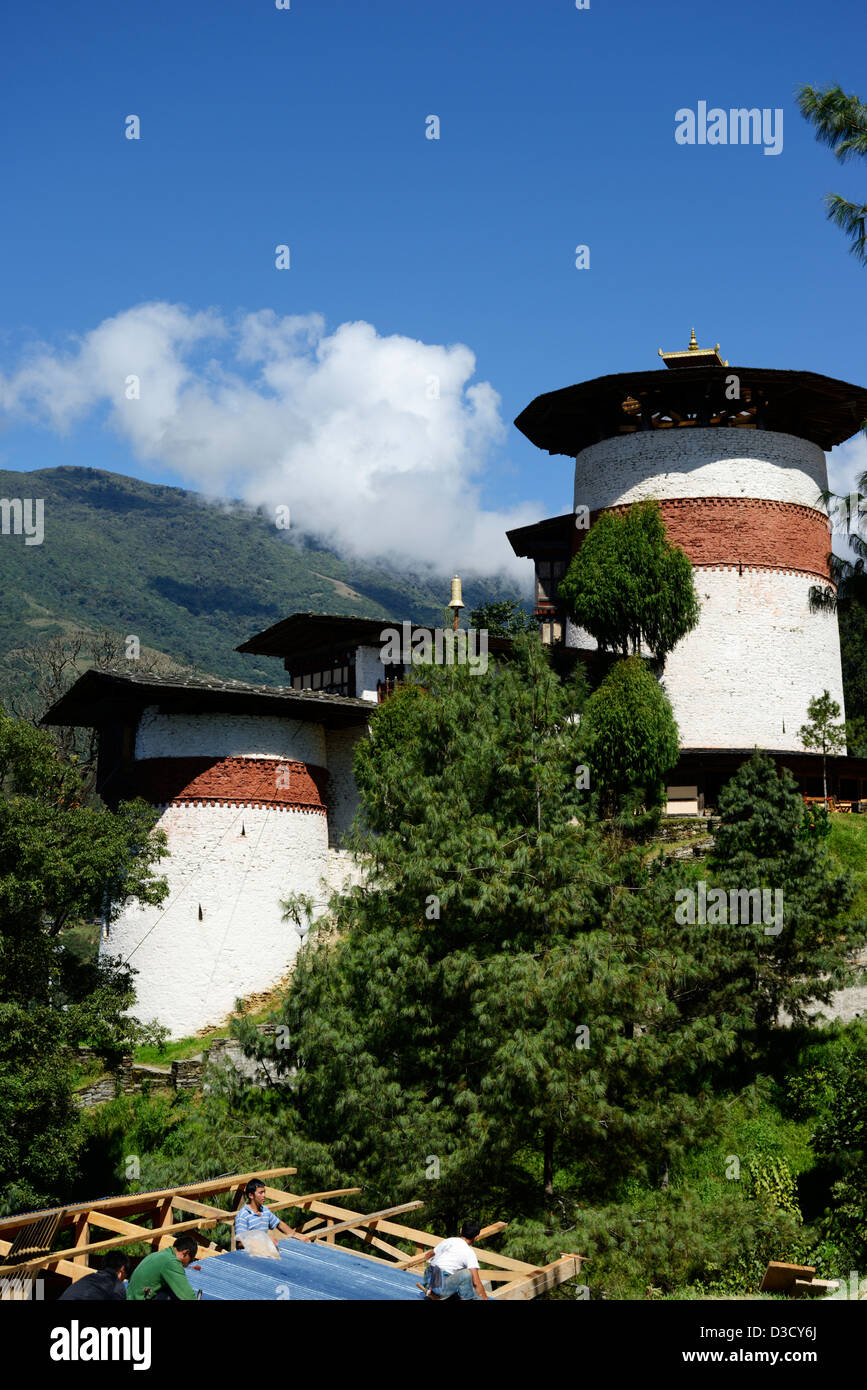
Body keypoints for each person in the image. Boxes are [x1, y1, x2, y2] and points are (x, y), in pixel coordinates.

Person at [234, 1178, 309, 1251]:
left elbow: (279, 1224)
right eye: (260, 1193)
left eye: (264, 1192)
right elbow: (240, 1243)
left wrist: (295, 1234)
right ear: (251, 1195)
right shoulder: (243, 1216)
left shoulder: (264, 1210)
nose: (264, 1195)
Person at [422, 1221, 489, 1301]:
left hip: (428, 1279)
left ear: (460, 1230)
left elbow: (428, 1255)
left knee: (469, 1291)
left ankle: (433, 1290)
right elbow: (476, 1282)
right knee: (467, 1274)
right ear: (476, 1237)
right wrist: (485, 1298)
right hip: (440, 1286)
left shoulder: (449, 1241)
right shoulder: (469, 1253)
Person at [127, 1234, 199, 1301]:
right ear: (186, 1253)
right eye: (190, 1260)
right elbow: (187, 1294)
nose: (187, 1264)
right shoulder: (171, 1262)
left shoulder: (159, 1254)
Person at [58, 1251, 130, 1301]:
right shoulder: (116, 1285)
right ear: (122, 1269)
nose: (123, 1279)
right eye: (125, 1275)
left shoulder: (87, 1278)